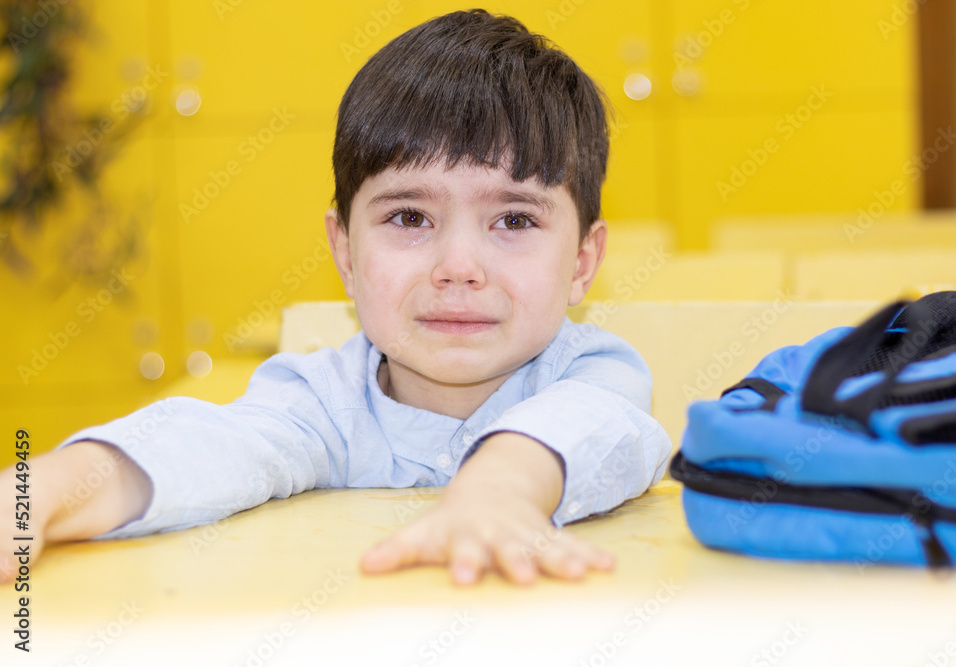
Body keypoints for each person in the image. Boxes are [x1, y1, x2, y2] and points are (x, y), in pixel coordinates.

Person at [0, 9, 671, 587]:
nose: (458, 267)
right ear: (346, 252)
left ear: (583, 261)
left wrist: (500, 491)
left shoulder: (596, 371)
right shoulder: (323, 401)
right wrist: (54, 487)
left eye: (515, 221)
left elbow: (585, 424)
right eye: (410, 218)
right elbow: (212, 446)